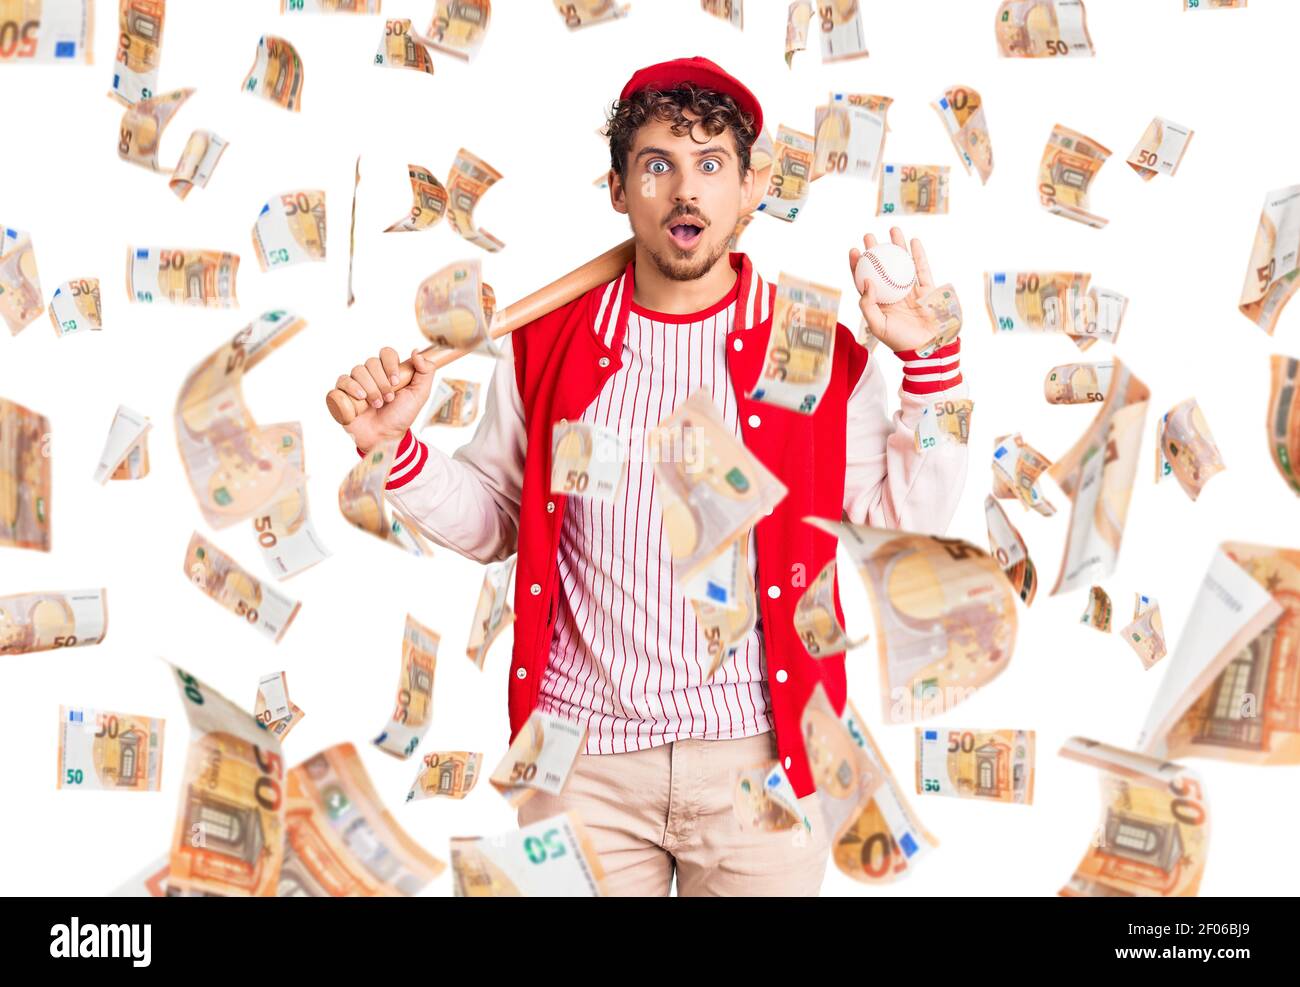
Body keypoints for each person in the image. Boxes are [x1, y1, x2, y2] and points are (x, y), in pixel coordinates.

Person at [330, 56, 968, 896]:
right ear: (620, 190)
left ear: (750, 190)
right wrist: (394, 450)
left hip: (766, 765)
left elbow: (904, 519)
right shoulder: (546, 345)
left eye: (711, 165)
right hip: (579, 763)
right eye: (658, 164)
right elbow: (500, 522)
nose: (685, 191)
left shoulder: (812, 346)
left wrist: (929, 366)